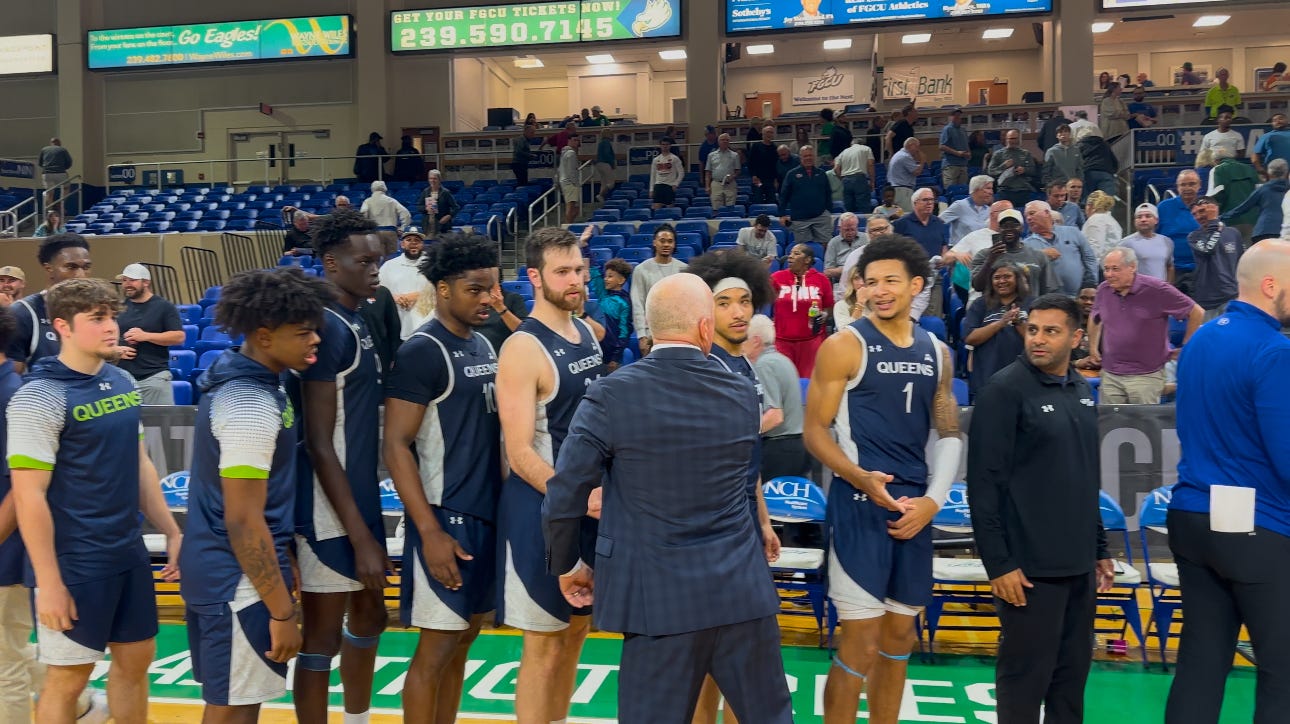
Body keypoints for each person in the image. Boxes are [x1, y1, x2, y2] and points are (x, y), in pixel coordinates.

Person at [803, 236, 962, 724]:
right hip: (860, 505)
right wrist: (859, 477)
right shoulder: (843, 346)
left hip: (914, 509)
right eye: (870, 282)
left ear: (916, 285)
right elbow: (814, 431)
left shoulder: (938, 351)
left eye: (891, 280)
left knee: (899, 638)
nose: (880, 291)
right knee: (861, 641)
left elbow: (949, 432)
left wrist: (934, 502)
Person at [9, 277, 181, 724]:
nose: (110, 328)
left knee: (137, 661)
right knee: (68, 679)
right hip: (75, 562)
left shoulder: (121, 379)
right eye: (97, 318)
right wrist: (49, 583)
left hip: (127, 550)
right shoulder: (38, 396)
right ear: (63, 327)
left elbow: (140, 463)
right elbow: (29, 496)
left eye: (113, 317)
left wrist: (171, 530)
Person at [181, 267, 332, 720]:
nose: (315, 340)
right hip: (235, 579)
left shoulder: (259, 382)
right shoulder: (250, 405)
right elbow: (243, 520)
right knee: (233, 709)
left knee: (237, 703)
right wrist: (282, 613)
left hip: (229, 572)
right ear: (264, 337)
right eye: (303, 332)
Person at [967, 293, 1114, 724]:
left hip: (1079, 566)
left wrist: (1099, 547)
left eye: (1051, 331)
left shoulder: (1081, 388)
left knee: (1071, 682)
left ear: (1076, 338)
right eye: (1032, 329)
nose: (1038, 339)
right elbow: (983, 486)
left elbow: (1085, 476)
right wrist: (999, 564)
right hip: (1028, 572)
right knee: (1024, 685)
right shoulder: (1004, 391)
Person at [1166, 239, 1290, 724]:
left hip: (1193, 515)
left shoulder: (1200, 340)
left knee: (1201, 662)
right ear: (1270, 285)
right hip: (1257, 525)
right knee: (1282, 670)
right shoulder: (1275, 350)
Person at [383, 234, 502, 724]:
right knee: (434, 652)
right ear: (444, 289)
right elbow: (395, 446)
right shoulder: (422, 351)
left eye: (491, 288)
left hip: (486, 516)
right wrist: (429, 531)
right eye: (475, 289)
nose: (487, 298)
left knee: (462, 644)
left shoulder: (483, 343)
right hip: (446, 518)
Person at [495, 227, 605, 724]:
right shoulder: (522, 348)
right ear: (535, 277)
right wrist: (581, 497)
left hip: (584, 512)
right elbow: (520, 453)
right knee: (543, 645)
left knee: (575, 635)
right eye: (562, 271)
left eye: (579, 269)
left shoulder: (586, 333)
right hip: (540, 514)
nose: (575, 279)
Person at [290, 210, 389, 724]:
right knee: (321, 639)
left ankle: (357, 718)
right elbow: (319, 443)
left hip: (359, 496)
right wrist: (361, 536)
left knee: (372, 616)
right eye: (363, 261)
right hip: (328, 509)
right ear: (330, 263)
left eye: (378, 260)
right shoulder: (325, 327)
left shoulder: (358, 317)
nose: (375, 269)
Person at [0, 305, 109, 724]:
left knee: (4, 664)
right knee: (9, 650)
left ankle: (79, 703)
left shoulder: (13, 396)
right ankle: (82, 704)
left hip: (8, 554)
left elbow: (20, 490)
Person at [1088, 248, 1204, 404]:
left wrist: (1187, 346)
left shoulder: (1157, 289)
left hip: (1146, 376)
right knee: (1110, 419)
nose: (1109, 274)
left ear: (1132, 267)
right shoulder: (1104, 289)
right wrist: (1093, 348)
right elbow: (1095, 317)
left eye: (1115, 269)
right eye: (1106, 269)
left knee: (1142, 420)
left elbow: (1196, 312)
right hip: (1110, 374)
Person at [8, 234, 92, 374]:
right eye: (71, 267)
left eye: (86, 267)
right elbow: (11, 378)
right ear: (49, 268)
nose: (81, 275)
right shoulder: (23, 313)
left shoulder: (96, 312)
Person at [747, 313, 809, 481]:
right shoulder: (784, 360)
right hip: (799, 446)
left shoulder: (764, 365)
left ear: (756, 340)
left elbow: (775, 416)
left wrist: (745, 434)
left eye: (745, 339)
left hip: (779, 449)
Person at [113, 263, 184, 405]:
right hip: (123, 379)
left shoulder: (164, 306)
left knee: (161, 419)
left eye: (132, 280)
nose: (127, 284)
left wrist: (146, 336)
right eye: (124, 280)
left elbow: (179, 337)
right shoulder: (119, 307)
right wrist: (115, 350)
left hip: (153, 377)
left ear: (146, 282)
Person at [964, 262, 1033, 397]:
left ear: (1017, 279)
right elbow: (970, 338)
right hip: (987, 377)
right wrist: (1001, 323)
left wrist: (1018, 322)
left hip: (1023, 378)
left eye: (1007, 276)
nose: (1001, 281)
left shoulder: (1031, 303)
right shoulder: (980, 304)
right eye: (997, 277)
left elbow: (1036, 340)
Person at [771, 243, 831, 378]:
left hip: (811, 342)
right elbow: (759, 295)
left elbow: (828, 307)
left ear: (807, 260)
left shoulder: (822, 279)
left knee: (808, 384)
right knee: (785, 383)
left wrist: (825, 314)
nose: (790, 257)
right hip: (782, 342)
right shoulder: (777, 277)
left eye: (796, 253)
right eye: (790, 253)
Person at [972, 209, 1060, 298]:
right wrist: (991, 260)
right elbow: (978, 286)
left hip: (1030, 306)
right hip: (994, 306)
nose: (1009, 229)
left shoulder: (1038, 256)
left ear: (1022, 228)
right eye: (1004, 226)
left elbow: (1048, 290)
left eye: (1014, 225)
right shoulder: (984, 255)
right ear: (999, 229)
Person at [630, 225, 686, 356]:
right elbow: (638, 303)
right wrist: (642, 335)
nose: (666, 244)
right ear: (654, 242)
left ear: (674, 244)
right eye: (662, 241)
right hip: (651, 334)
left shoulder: (683, 269)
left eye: (670, 241)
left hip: (679, 334)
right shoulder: (641, 270)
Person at [1187, 196, 1243, 320]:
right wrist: (1214, 224)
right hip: (1207, 300)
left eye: (1202, 211)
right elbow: (1208, 249)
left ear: (1215, 209)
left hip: (1231, 296)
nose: (1198, 217)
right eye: (1194, 214)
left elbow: (1241, 263)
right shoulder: (1194, 236)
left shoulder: (1233, 233)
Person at [380, 227, 433, 340]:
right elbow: (379, 291)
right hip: (396, 321)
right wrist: (394, 298)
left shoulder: (432, 264)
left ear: (422, 244)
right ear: (402, 244)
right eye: (409, 240)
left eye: (417, 240)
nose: (413, 243)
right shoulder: (389, 266)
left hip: (425, 324)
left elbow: (440, 290)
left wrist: (418, 296)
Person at [1223, 158, 1288, 243]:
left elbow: (1243, 208)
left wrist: (1221, 217)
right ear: (1286, 172)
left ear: (1269, 172)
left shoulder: (1263, 190)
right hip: (1286, 233)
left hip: (1264, 231)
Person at [780, 145, 834, 246]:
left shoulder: (821, 173)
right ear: (800, 157)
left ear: (814, 157)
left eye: (810, 155)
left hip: (821, 216)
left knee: (826, 245)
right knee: (804, 249)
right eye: (805, 156)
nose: (808, 158)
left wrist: (828, 211)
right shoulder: (791, 174)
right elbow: (783, 195)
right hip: (800, 219)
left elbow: (828, 193)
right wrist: (782, 214)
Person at [1159, 169, 1203, 282]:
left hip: (1202, 268)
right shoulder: (1163, 208)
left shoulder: (1207, 207)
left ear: (1199, 185)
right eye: (1183, 185)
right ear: (1177, 187)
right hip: (1171, 269)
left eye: (1192, 184)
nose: (1187, 188)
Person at [1120, 203, 1176, 283]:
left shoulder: (1167, 241)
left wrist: (1168, 287)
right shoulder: (1125, 243)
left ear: (1156, 220)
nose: (1143, 219)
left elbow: (1170, 267)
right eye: (1139, 217)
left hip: (1160, 289)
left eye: (1148, 216)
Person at [477, 272, 528, 354]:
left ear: (498, 283)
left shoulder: (513, 299)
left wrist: (500, 308)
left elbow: (524, 331)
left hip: (502, 353)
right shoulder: (473, 301)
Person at [989, 130, 1038, 210]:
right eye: (1011, 138)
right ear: (1006, 139)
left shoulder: (1026, 153)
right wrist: (1003, 166)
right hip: (1005, 191)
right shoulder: (998, 154)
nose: (1013, 141)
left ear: (1019, 139)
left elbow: (1033, 170)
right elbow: (991, 171)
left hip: (1023, 190)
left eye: (1015, 138)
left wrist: (1024, 170)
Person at [360, 181, 411, 254]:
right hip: (391, 232)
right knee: (392, 256)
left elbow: (363, 213)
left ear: (372, 189)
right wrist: (403, 228)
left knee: (377, 256)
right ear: (385, 189)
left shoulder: (367, 201)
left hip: (375, 232)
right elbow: (406, 214)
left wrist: (366, 228)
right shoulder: (392, 201)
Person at [599, 258, 633, 370]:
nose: (606, 279)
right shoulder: (603, 294)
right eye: (605, 276)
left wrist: (616, 357)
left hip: (611, 354)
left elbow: (624, 332)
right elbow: (594, 274)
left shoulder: (624, 303)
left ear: (621, 280)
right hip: (597, 350)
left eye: (610, 276)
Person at [940, 175, 994, 245]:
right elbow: (937, 222)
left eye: (991, 188)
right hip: (959, 250)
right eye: (988, 188)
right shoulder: (959, 206)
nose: (991, 192)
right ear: (976, 189)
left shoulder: (989, 211)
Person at [825, 213, 868, 300]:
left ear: (857, 227)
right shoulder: (833, 243)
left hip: (864, 279)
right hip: (841, 283)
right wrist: (847, 269)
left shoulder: (866, 238)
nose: (850, 233)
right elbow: (827, 271)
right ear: (839, 228)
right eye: (846, 230)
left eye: (853, 229)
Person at [833, 137, 876, 215]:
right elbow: (870, 164)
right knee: (864, 207)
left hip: (846, 180)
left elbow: (836, 169)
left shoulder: (844, 152)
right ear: (862, 143)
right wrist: (872, 181)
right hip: (859, 178)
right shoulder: (866, 148)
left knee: (848, 210)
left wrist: (842, 178)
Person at [1076, 127, 1119, 198]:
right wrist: (1112, 171)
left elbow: (1076, 162)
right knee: (1106, 199)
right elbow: (1114, 161)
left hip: (1088, 173)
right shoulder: (1104, 144)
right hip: (1105, 173)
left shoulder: (1079, 146)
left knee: (1087, 199)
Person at [416, 170, 460, 237]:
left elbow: (456, 207)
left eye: (435, 178)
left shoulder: (445, 192)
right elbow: (419, 206)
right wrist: (426, 208)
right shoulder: (425, 191)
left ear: (439, 180)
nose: (432, 180)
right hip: (428, 227)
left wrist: (448, 216)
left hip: (442, 227)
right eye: (430, 178)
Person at [1081, 190, 1123, 260]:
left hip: (1100, 264)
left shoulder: (1096, 219)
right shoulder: (1110, 220)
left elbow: (1094, 250)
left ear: (1090, 206)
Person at [887, 138, 925, 212]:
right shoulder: (905, 156)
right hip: (903, 190)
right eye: (917, 146)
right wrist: (922, 161)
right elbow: (916, 172)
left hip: (896, 189)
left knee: (896, 214)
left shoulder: (898, 154)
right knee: (906, 213)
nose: (918, 150)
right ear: (911, 145)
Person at [705, 133, 741, 209]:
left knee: (730, 208)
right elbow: (708, 172)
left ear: (729, 142)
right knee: (716, 208)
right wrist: (707, 186)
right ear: (718, 142)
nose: (725, 141)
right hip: (716, 184)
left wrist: (733, 176)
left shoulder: (735, 155)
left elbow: (738, 171)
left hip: (730, 184)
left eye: (727, 140)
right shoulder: (711, 155)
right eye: (722, 140)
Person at [938, 109, 971, 189]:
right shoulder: (947, 129)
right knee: (951, 190)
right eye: (955, 115)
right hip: (951, 165)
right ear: (950, 117)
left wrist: (969, 153)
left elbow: (966, 145)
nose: (958, 117)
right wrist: (957, 153)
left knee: (962, 190)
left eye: (959, 116)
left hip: (963, 165)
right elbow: (942, 146)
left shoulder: (963, 130)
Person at [1252, 113, 1290, 179]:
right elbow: (1255, 154)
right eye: (1275, 120)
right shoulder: (1266, 136)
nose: (1278, 121)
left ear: (1287, 121)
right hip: (1274, 173)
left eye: (1281, 119)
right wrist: (1259, 168)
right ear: (1272, 123)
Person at [748, 126, 779, 205]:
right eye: (768, 132)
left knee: (771, 201)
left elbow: (776, 165)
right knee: (758, 200)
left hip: (770, 181)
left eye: (771, 132)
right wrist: (754, 175)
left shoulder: (775, 148)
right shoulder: (756, 146)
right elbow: (751, 162)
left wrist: (776, 180)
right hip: (758, 180)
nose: (769, 134)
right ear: (763, 134)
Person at [650, 137, 684, 209]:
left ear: (670, 145)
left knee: (670, 209)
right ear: (660, 146)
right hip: (658, 186)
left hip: (669, 186)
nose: (665, 146)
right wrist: (651, 189)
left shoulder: (675, 158)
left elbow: (681, 173)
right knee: (656, 208)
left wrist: (676, 184)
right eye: (663, 144)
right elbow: (653, 176)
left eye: (667, 144)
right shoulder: (656, 160)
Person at [833, 263, 869, 329]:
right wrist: (860, 304)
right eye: (856, 278)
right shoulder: (841, 305)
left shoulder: (879, 302)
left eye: (865, 278)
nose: (861, 283)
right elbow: (844, 331)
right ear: (851, 282)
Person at [558, 135, 582, 225]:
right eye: (574, 140)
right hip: (570, 183)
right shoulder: (571, 153)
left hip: (564, 181)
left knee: (573, 208)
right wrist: (575, 183)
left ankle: (568, 224)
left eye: (577, 140)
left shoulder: (564, 152)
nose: (576, 142)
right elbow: (571, 170)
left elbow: (560, 169)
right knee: (571, 207)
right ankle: (567, 225)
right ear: (569, 141)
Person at [594, 129, 616, 202]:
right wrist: (612, 163)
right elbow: (607, 154)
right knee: (611, 183)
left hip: (599, 164)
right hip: (605, 164)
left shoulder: (601, 143)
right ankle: (600, 195)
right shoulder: (606, 142)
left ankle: (601, 199)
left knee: (603, 183)